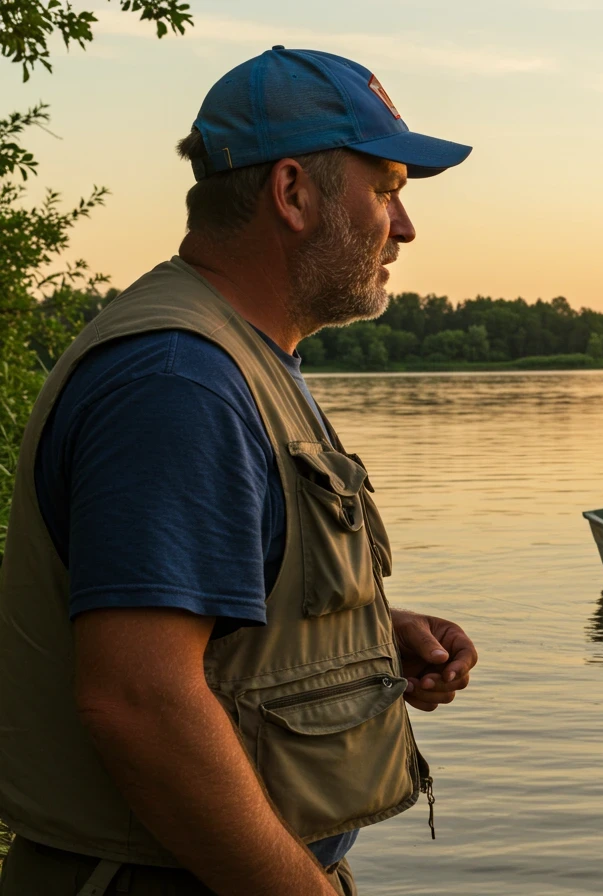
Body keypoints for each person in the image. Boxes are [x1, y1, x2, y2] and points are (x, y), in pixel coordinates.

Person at [0, 47, 479, 896]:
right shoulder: (180, 382)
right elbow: (140, 702)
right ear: (292, 194)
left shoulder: (234, 359)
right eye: (388, 190)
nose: (404, 228)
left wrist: (358, 634)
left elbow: (203, 622)